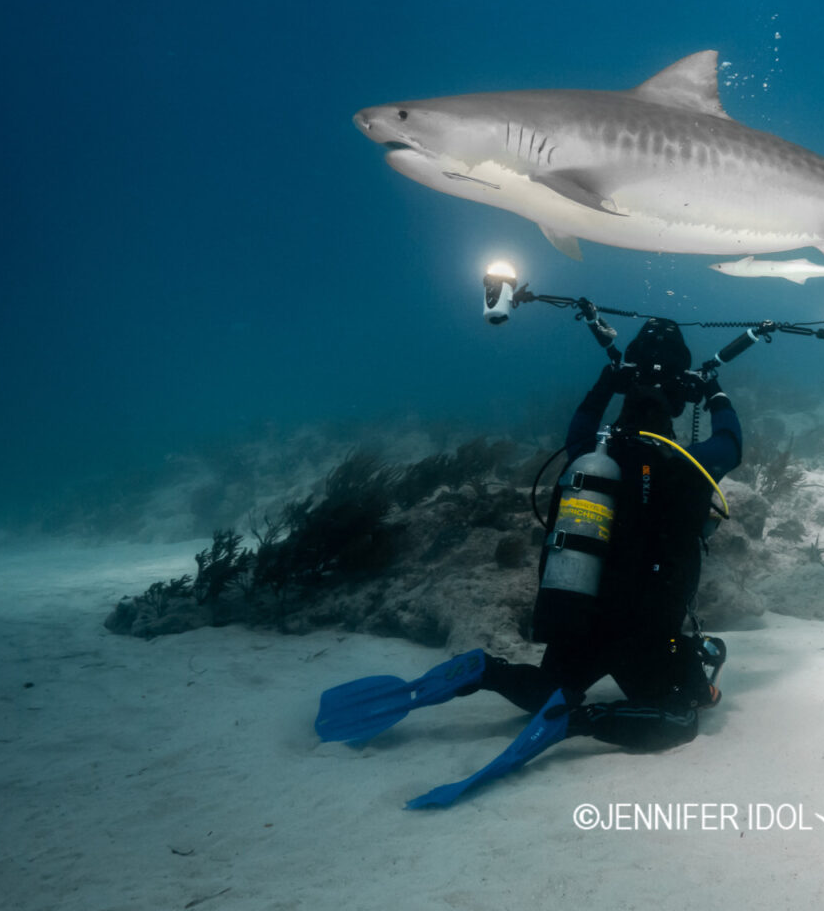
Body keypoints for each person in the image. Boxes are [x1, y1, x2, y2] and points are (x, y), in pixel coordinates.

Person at [315, 318, 744, 807]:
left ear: (626, 397)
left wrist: (606, 383)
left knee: (550, 686)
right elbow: (731, 441)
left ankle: (485, 671)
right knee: (681, 715)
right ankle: (578, 721)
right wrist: (716, 392)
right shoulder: (692, 465)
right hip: (642, 635)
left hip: (578, 621)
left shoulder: (589, 456)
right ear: (677, 405)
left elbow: (581, 421)